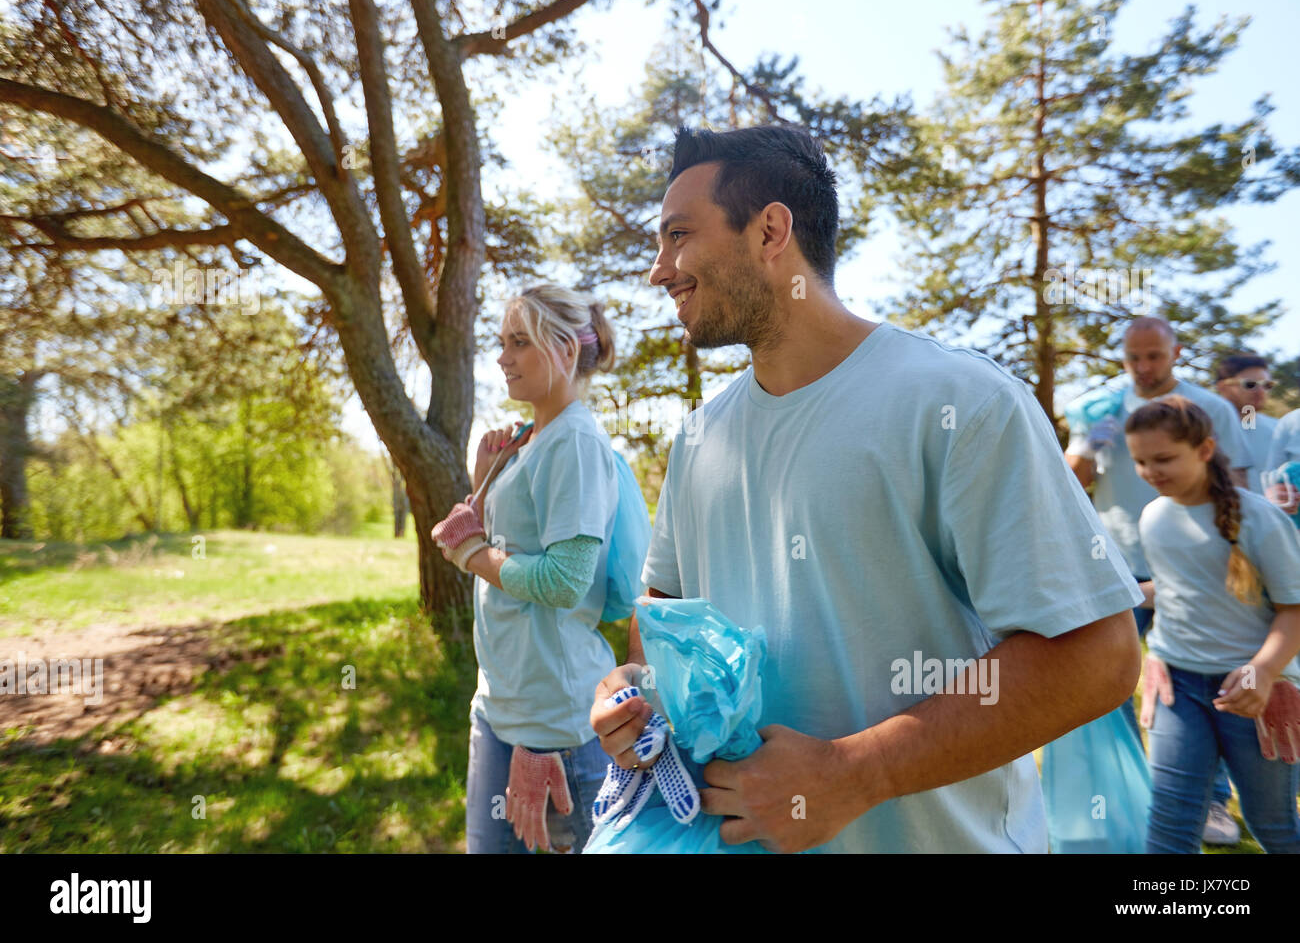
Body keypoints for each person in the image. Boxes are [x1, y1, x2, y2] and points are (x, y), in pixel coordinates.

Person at [589, 125, 1142, 853]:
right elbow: (660, 619)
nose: (658, 270)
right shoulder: (699, 440)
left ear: (771, 231)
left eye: (678, 235)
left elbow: (1098, 656)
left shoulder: (960, 401)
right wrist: (629, 691)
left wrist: (853, 773)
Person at [432, 283, 636, 854]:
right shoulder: (529, 441)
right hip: (501, 705)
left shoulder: (575, 441)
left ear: (567, 350)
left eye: (519, 342)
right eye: (502, 342)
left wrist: (471, 555)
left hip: (553, 727)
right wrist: (484, 480)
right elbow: (502, 544)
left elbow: (562, 581)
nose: (502, 357)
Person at [1065, 319, 1252, 845]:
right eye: (1134, 358)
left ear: (1177, 352)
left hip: (1192, 566)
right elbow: (1066, 482)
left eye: (1155, 356)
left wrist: (1227, 555)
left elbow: (1235, 482)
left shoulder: (1208, 408)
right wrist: (1087, 449)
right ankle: (1126, 787)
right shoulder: (1099, 406)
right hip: (1113, 561)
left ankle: (1211, 803)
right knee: (1107, 680)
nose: (1144, 368)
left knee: (1198, 682)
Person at [1124, 395, 1300, 853]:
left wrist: (1263, 671)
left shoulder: (1260, 518)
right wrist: (1114, 604)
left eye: (1163, 458)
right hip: (1177, 690)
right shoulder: (1154, 516)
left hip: (1254, 693)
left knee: (1274, 825)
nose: (1150, 472)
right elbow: (1174, 589)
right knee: (1169, 822)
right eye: (1140, 461)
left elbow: (1294, 609)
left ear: (1205, 449)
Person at [1214, 353, 1278, 495]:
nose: (1260, 392)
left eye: (1267, 385)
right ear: (1223, 387)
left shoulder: (1281, 430)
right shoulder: (1202, 429)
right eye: (1250, 384)